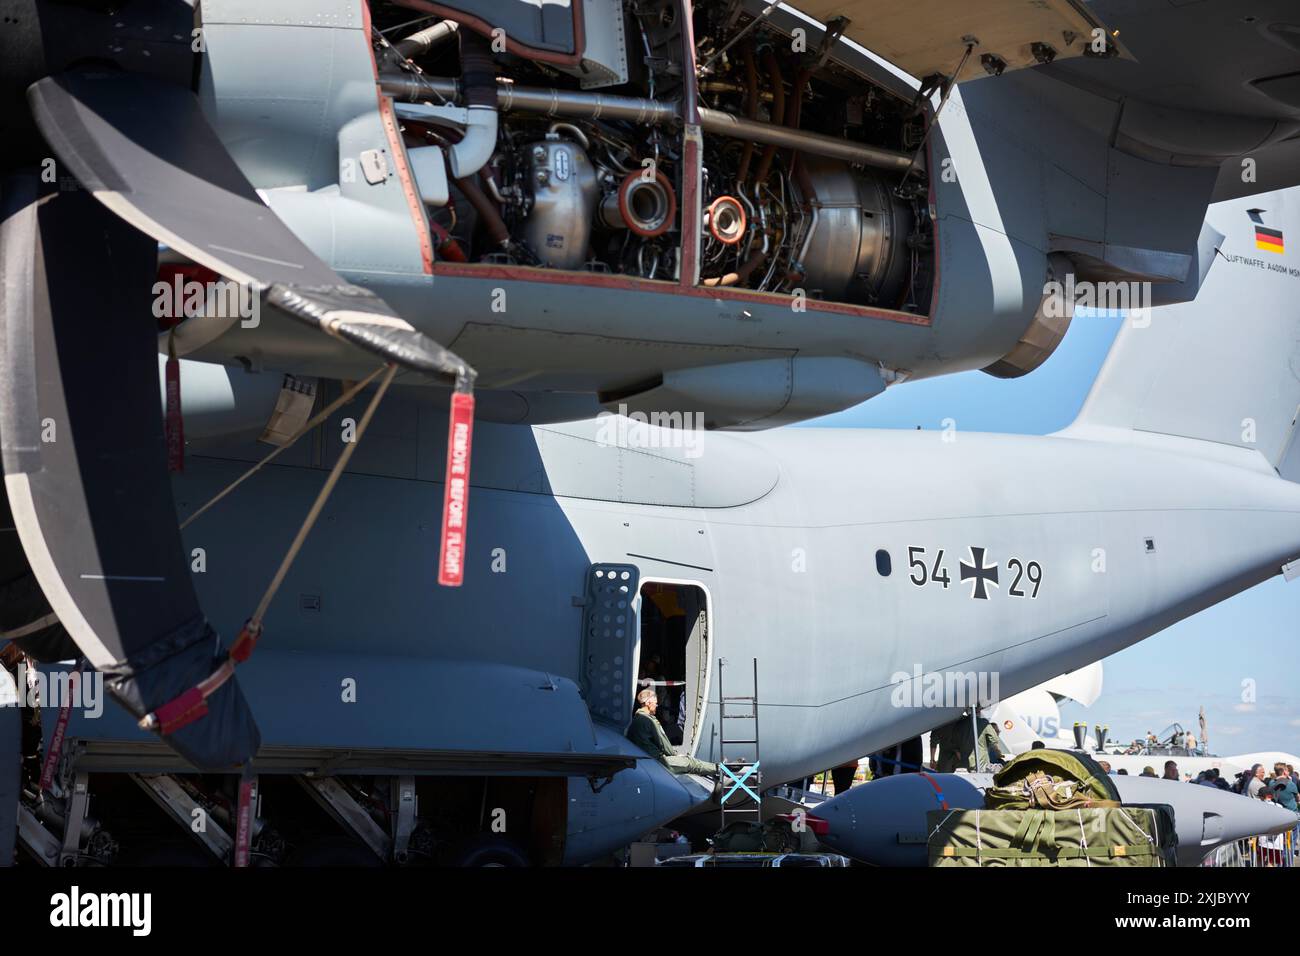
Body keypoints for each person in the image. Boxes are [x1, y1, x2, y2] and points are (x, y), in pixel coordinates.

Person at [626, 689, 718, 777]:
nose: (657, 706)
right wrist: (676, 756)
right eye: (656, 703)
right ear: (648, 703)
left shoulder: (635, 720)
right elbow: (664, 744)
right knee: (690, 762)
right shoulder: (650, 721)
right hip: (657, 762)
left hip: (644, 761)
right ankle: (719, 768)